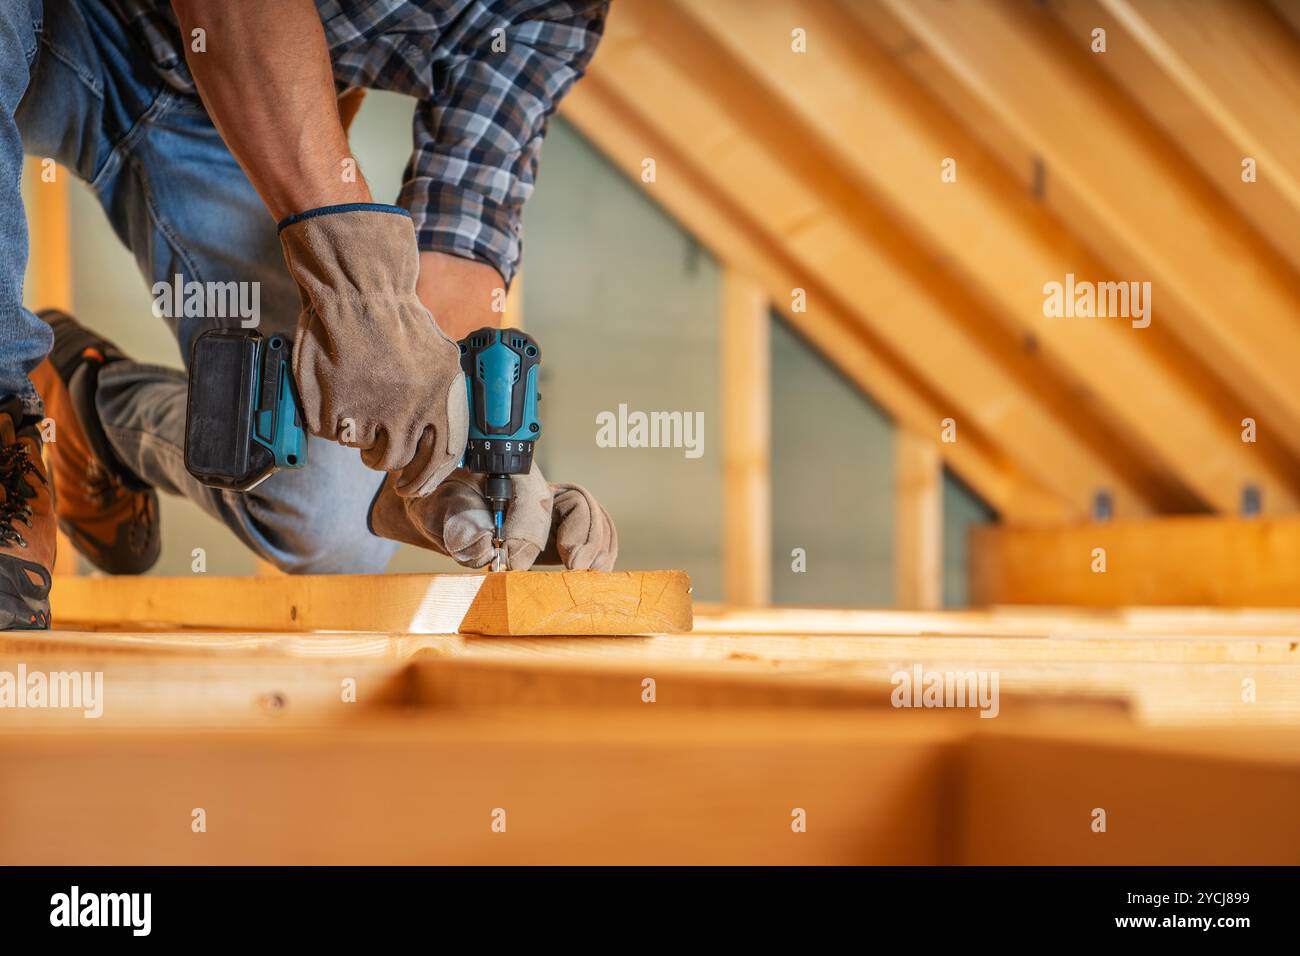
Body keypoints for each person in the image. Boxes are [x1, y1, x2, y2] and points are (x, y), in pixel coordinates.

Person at [0, 0, 617, 630]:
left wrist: (448, 456)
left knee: (334, 514)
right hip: (76, 20)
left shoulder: (557, 14)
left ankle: (89, 410)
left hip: (213, 121)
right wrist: (359, 294)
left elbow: (463, 224)